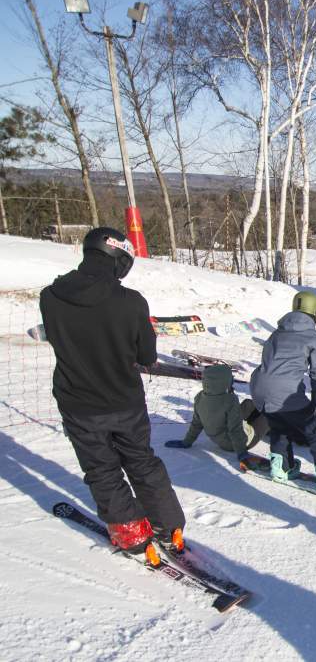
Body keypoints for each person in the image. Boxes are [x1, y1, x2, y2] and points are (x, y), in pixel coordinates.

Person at [40, 227, 186, 560]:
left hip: (78, 402)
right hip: (125, 402)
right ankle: (169, 526)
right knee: (142, 462)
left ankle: (130, 533)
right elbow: (147, 357)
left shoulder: (50, 295)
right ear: (117, 259)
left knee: (101, 469)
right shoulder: (131, 302)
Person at [251, 292, 316, 498]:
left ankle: (282, 467)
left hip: (259, 388)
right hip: (285, 391)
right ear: (315, 313)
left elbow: (268, 363)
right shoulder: (314, 337)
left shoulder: (277, 333)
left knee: (280, 424)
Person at [166, 364, 263, 469]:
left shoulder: (200, 397)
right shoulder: (230, 400)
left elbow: (196, 424)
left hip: (220, 441)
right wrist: (242, 453)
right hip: (238, 443)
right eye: (230, 378)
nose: (232, 381)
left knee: (248, 403)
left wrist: (187, 442)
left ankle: (258, 423)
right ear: (223, 381)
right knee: (269, 415)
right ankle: (274, 434)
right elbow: (235, 429)